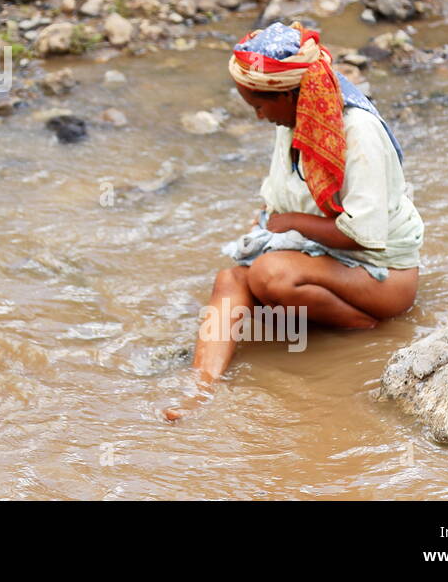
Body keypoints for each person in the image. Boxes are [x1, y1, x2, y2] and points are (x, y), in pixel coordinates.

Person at [164, 21, 423, 422]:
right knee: (229, 279)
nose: (259, 116)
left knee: (271, 274)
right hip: (320, 256)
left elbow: (366, 235)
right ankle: (199, 389)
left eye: (260, 106)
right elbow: (275, 203)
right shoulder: (297, 121)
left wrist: (292, 224)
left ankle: (369, 328)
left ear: (287, 94)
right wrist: (270, 227)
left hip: (383, 274)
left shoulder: (358, 133)